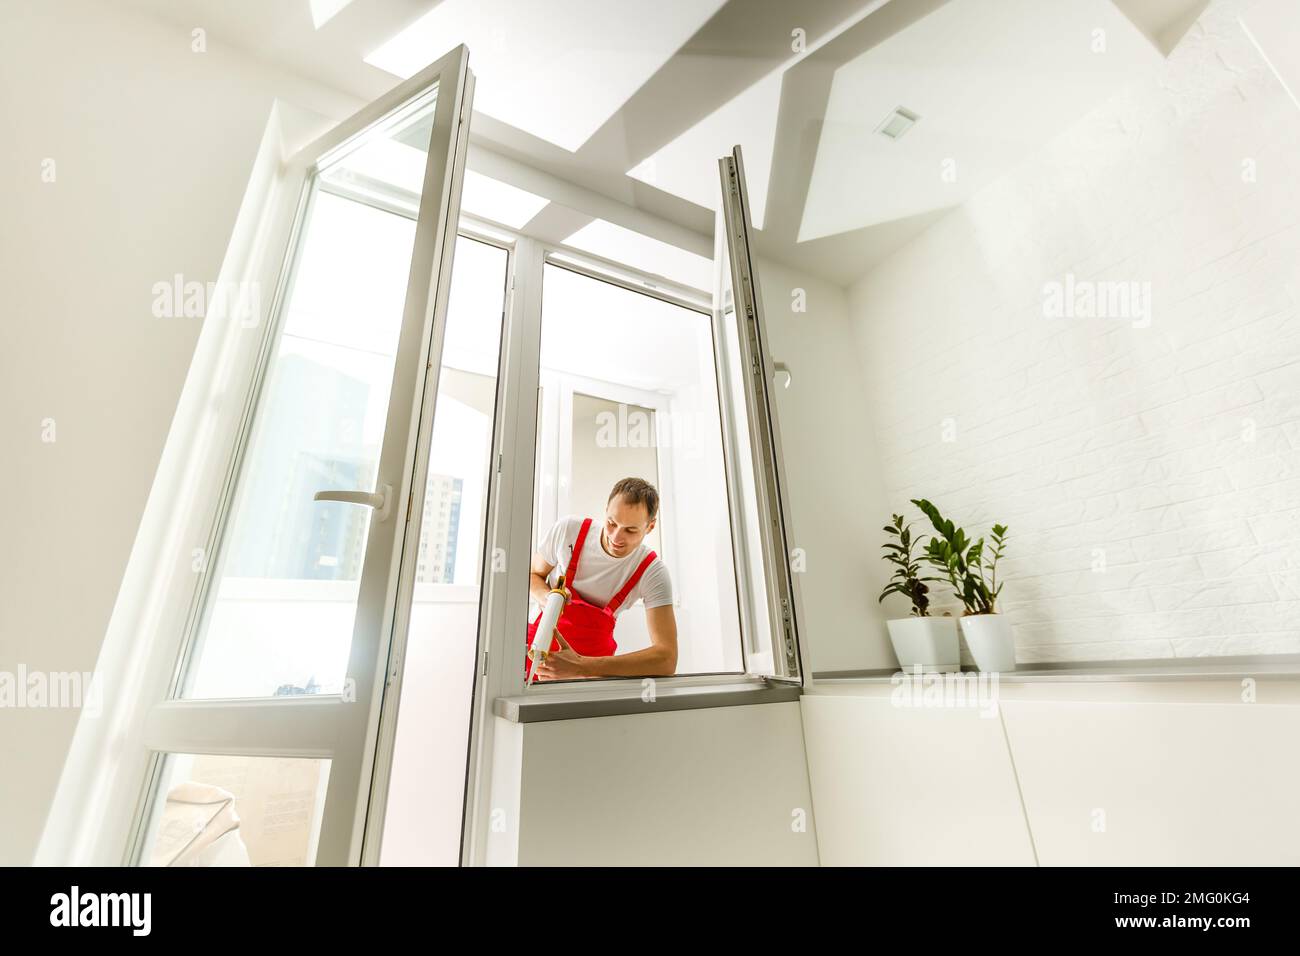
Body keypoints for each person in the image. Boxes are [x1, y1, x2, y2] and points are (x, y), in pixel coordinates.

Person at [526, 477, 677, 680]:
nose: (615, 538)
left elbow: (666, 659)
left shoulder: (652, 572)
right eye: (611, 523)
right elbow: (533, 574)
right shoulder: (568, 530)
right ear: (606, 510)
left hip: (590, 674)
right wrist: (550, 599)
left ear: (650, 527)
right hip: (536, 651)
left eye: (630, 530)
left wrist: (580, 666)